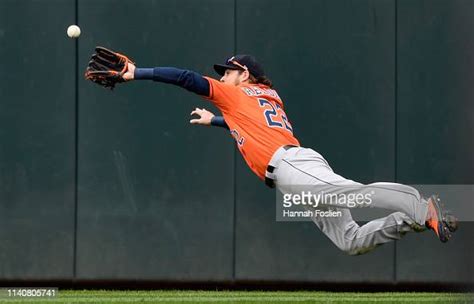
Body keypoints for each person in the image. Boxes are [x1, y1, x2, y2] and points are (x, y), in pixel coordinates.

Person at [121, 54, 458, 255]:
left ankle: (419, 204)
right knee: (350, 241)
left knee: (353, 193)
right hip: (293, 166)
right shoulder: (265, 95)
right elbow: (251, 126)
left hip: (292, 167)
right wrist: (217, 121)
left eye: (228, 71)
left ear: (244, 74)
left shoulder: (235, 95)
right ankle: (417, 218)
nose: (223, 77)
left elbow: (184, 78)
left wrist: (138, 73)